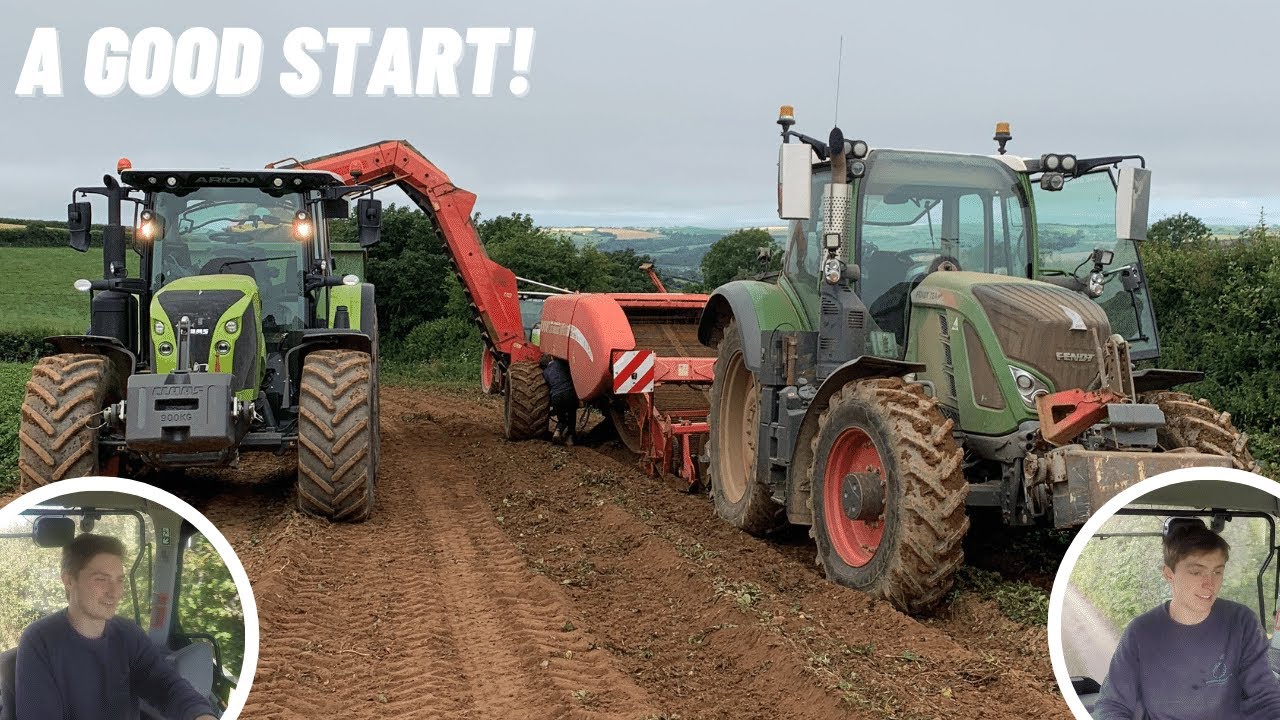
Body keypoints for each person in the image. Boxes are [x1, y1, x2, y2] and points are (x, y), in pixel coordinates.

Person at [1092, 518, 1280, 720]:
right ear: (1169, 574)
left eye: (1217, 571)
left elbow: (1266, 698)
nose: (1210, 584)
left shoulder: (1242, 623)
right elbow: (1111, 705)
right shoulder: (1141, 632)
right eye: (1196, 572)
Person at [16, 533, 218, 720]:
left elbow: (165, 685)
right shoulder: (40, 641)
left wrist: (200, 714)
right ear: (69, 580)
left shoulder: (129, 634)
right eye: (101, 580)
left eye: (119, 580)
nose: (115, 592)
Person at [540, 355, 577, 445]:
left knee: (562, 419)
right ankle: (570, 437)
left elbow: (548, 386)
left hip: (556, 396)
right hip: (569, 393)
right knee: (572, 412)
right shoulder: (561, 363)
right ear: (551, 358)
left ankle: (557, 432)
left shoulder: (545, 372)